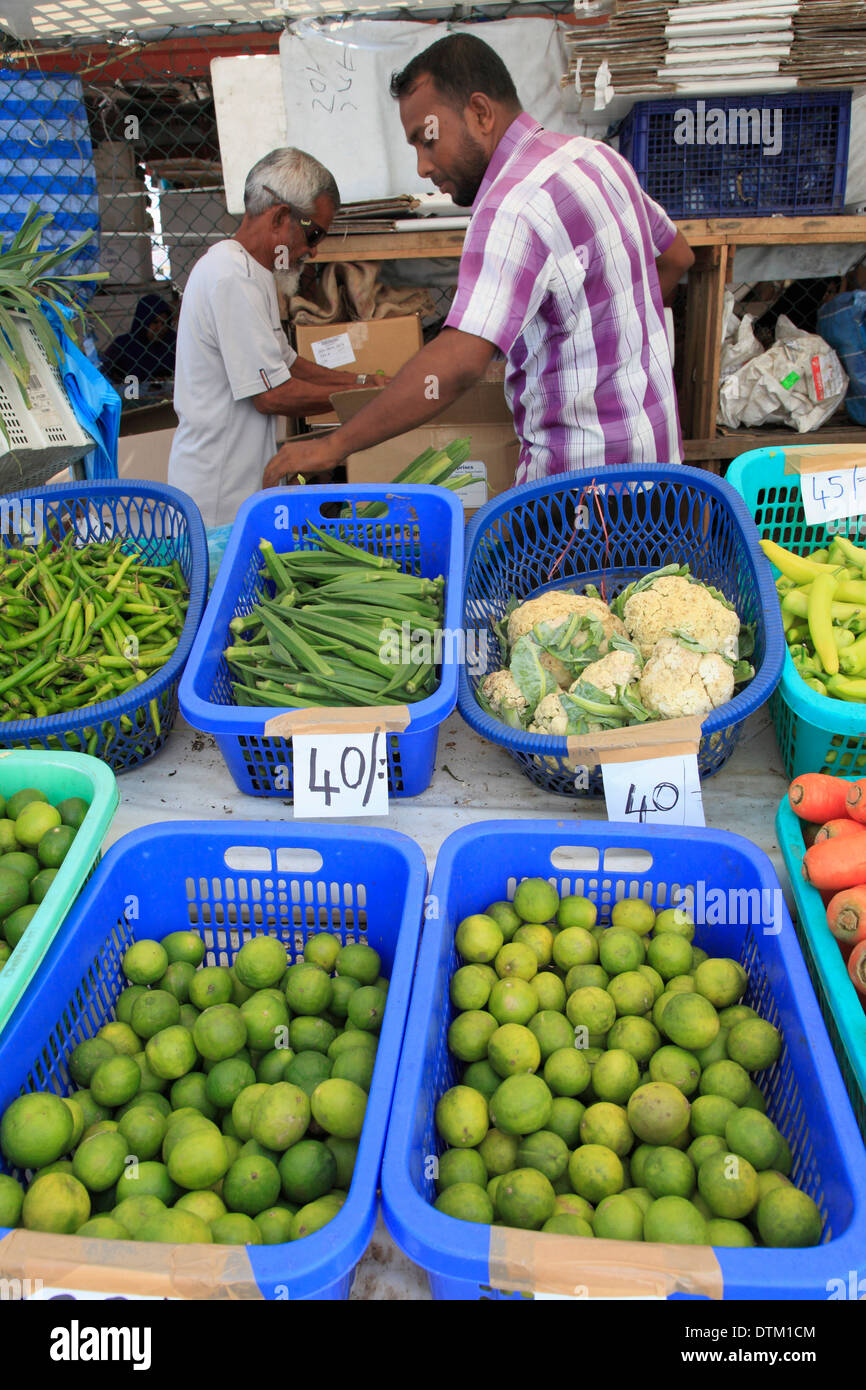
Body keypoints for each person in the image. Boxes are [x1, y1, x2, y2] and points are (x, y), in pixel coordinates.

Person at [264, 34, 694, 490]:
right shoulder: (598, 159)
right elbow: (677, 257)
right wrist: (606, 328)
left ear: (481, 113)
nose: (421, 167)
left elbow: (458, 364)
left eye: (426, 140)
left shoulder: (510, 205)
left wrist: (333, 445)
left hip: (581, 496)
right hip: (661, 471)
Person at [167, 147, 374, 528]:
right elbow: (272, 395)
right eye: (313, 234)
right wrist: (367, 400)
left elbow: (288, 363)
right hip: (218, 497)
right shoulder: (230, 274)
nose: (313, 250)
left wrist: (363, 382)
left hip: (240, 488)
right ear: (281, 216)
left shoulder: (256, 273)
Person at [101, 292, 176, 386]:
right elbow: (103, 373)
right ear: (143, 322)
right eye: (155, 322)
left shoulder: (173, 344)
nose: (160, 328)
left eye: (164, 323)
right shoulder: (123, 345)